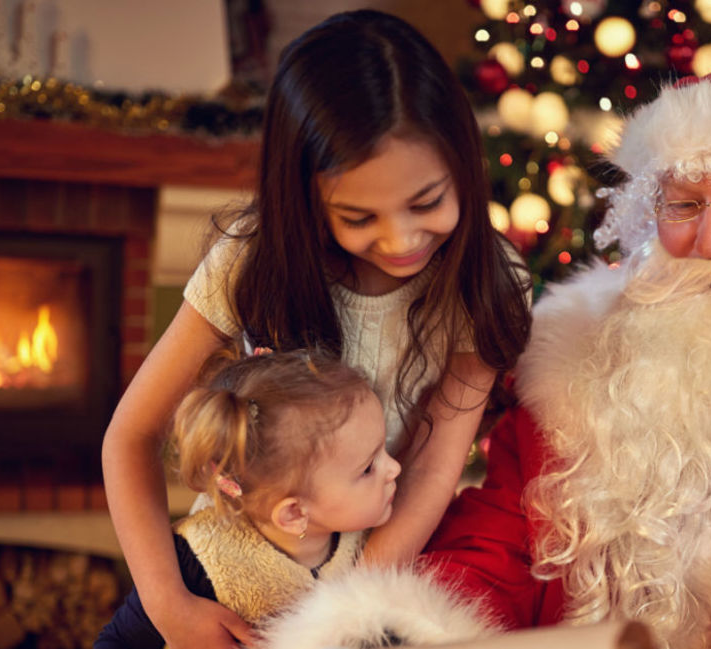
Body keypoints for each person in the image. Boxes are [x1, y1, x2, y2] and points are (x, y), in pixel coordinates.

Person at [422, 60, 711, 649]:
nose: (710, 243)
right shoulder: (571, 360)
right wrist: (429, 625)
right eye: (684, 204)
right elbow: (497, 544)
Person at [100, 10, 531, 649]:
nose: (401, 238)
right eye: (358, 216)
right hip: (217, 578)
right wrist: (169, 605)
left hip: (357, 593)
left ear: (462, 167)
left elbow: (433, 473)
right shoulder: (251, 261)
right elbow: (130, 437)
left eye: (427, 202)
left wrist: (331, 622)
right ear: (304, 198)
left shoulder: (489, 282)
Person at [96, 350, 496, 649]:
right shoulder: (201, 564)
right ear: (294, 513)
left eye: (382, 453)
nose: (394, 470)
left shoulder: (362, 544)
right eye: (367, 468)